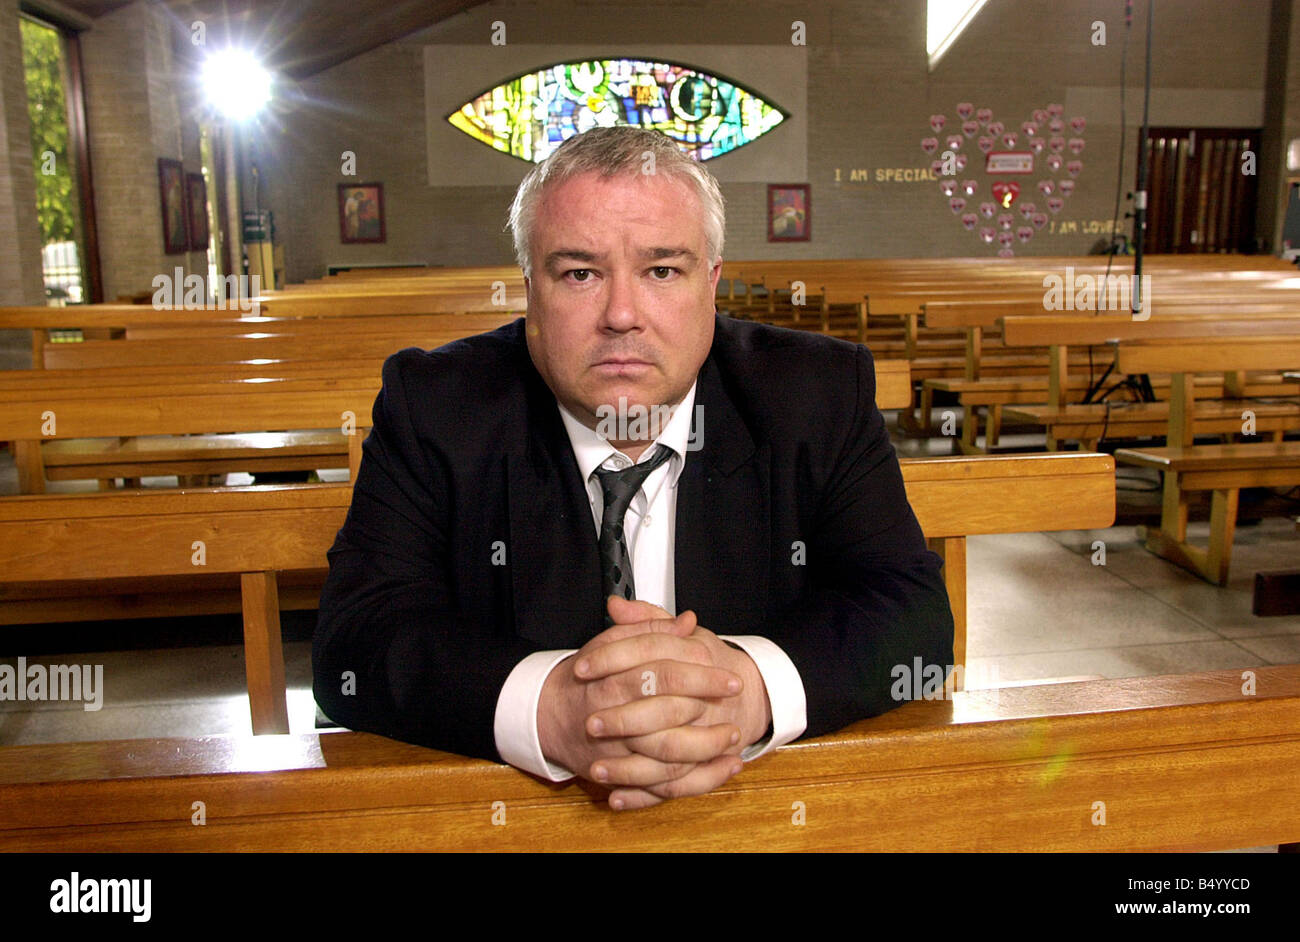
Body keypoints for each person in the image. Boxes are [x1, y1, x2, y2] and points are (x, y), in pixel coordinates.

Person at [313, 126, 953, 811]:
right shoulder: (435, 405)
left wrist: (744, 691)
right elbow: (356, 643)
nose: (621, 316)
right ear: (531, 287)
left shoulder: (817, 392)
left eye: (661, 270)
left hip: (758, 815)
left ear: (711, 284)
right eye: (579, 272)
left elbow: (911, 614)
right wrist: (554, 708)